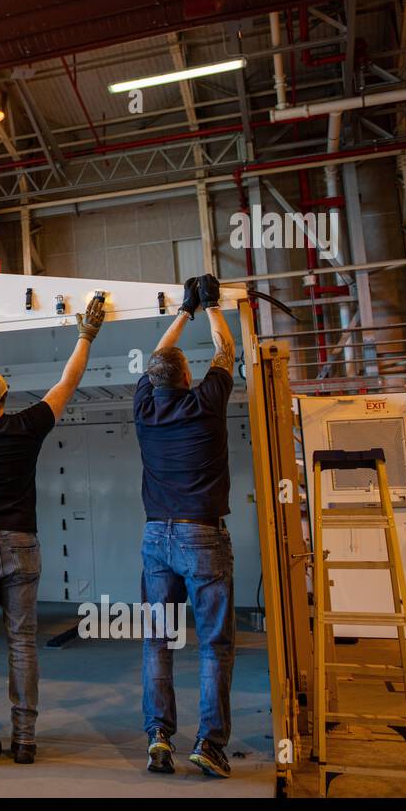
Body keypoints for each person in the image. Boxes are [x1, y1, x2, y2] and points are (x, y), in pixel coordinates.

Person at [0, 299, 105, 766]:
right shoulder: (27, 427)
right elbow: (66, 384)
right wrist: (85, 336)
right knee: (23, 640)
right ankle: (25, 740)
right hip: (21, 545)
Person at [135, 273, 237, 778]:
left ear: (153, 381)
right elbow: (227, 351)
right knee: (213, 643)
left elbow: (157, 354)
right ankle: (209, 744)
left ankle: (159, 738)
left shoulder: (145, 407)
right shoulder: (207, 401)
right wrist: (212, 305)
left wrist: (183, 312)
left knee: (158, 641)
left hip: (157, 537)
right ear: (185, 377)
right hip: (201, 535)